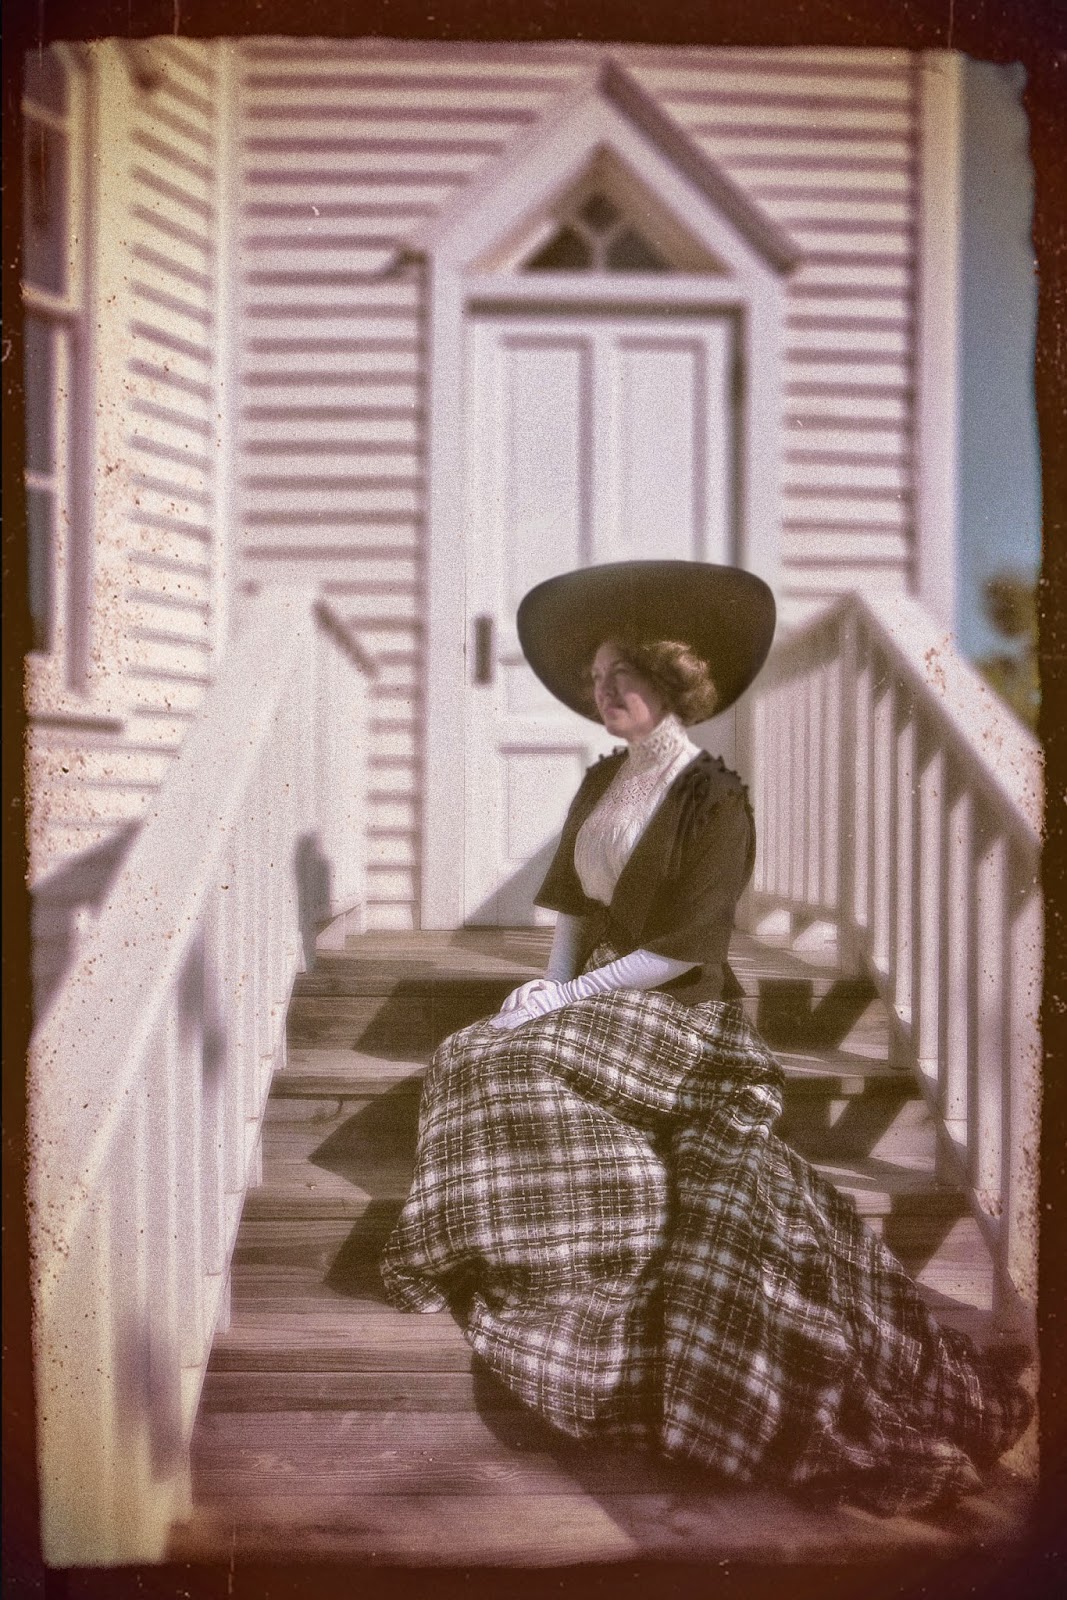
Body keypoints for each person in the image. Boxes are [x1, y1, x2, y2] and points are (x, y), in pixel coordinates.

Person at [381, 560, 1031, 1516]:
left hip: (680, 1010)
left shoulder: (713, 799)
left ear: (671, 677)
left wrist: (566, 1002)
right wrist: (547, 987)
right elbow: (572, 910)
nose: (604, 694)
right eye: (595, 680)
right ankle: (548, 1240)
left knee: (499, 1057)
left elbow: (682, 949)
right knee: (471, 1052)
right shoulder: (600, 782)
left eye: (622, 676)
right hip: (602, 996)